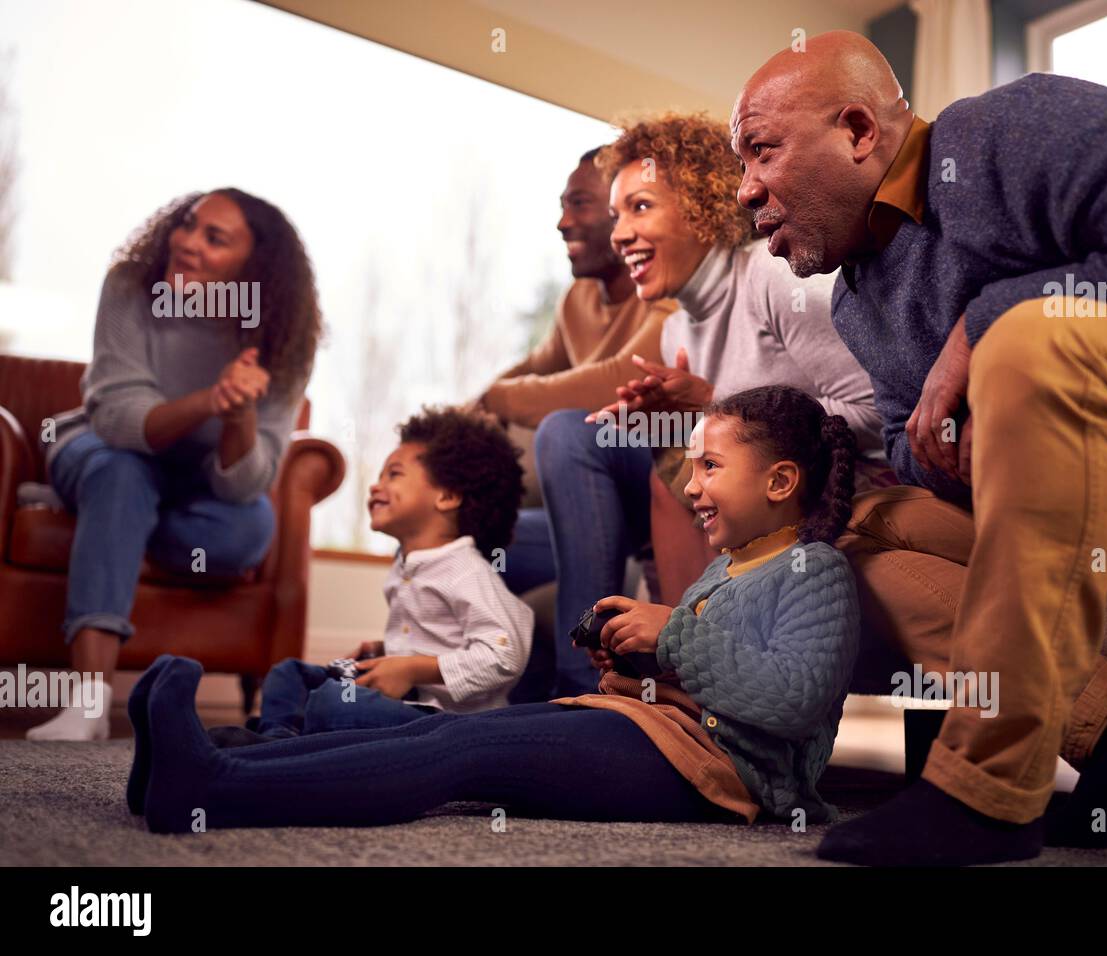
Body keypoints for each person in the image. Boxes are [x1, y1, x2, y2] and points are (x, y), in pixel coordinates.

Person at [729, 31, 1107, 865]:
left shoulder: (1012, 130)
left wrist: (987, 321)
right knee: (845, 534)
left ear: (857, 130)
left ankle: (984, 791)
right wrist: (943, 450)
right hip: (1093, 485)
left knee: (1037, 341)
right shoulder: (858, 300)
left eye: (760, 151)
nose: (745, 192)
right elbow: (903, 434)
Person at [124, 386, 861, 833]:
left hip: (718, 775)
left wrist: (671, 632)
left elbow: (790, 700)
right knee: (476, 731)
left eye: (710, 466)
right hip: (653, 728)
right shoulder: (725, 571)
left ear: (780, 480)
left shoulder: (816, 572)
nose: (690, 484)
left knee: (461, 754)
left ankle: (211, 789)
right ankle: (215, 755)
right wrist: (630, 664)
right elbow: (703, 678)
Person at [526, 113, 883, 699]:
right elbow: (718, 449)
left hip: (823, 492)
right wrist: (662, 421)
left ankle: (641, 677)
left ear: (701, 202)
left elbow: (877, 416)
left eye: (640, 208)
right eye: (616, 216)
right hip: (735, 501)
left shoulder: (775, 280)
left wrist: (711, 406)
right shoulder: (675, 335)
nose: (619, 235)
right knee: (584, 434)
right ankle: (608, 678)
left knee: (658, 445)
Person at [28, 189, 321, 742]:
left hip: (192, 484)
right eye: (189, 225)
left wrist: (240, 415)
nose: (186, 242)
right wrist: (210, 400)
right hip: (101, 447)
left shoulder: (285, 338)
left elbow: (245, 484)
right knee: (120, 476)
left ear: (254, 267)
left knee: (250, 526)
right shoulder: (130, 286)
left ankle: (111, 522)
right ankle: (88, 703)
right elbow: (118, 419)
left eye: (214, 239)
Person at [218, 406, 532, 744]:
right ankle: (277, 742)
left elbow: (505, 654)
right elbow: (442, 635)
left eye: (393, 474)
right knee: (287, 674)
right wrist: (386, 649)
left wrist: (411, 668)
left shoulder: (467, 570)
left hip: (444, 723)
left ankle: (274, 746)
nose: (375, 487)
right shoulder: (406, 567)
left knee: (334, 703)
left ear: (447, 496)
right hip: (405, 705)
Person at [475, 148, 679, 602]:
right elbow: (533, 368)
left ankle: (578, 675)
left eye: (579, 203)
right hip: (593, 505)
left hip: (656, 476)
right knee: (465, 539)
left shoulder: (668, 282)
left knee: (569, 431)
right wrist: (463, 417)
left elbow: (620, 378)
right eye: (563, 205)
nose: (563, 222)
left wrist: (500, 400)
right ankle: (420, 661)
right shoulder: (578, 298)